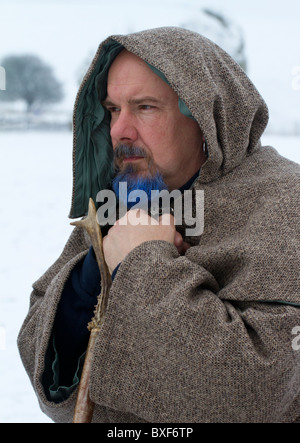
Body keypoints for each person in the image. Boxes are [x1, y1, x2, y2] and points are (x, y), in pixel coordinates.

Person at [18, 27, 300, 423]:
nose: (118, 129)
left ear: (206, 116)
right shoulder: (120, 200)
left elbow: (257, 388)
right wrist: (88, 279)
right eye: (113, 109)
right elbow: (38, 353)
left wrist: (141, 260)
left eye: (145, 107)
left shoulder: (286, 203)